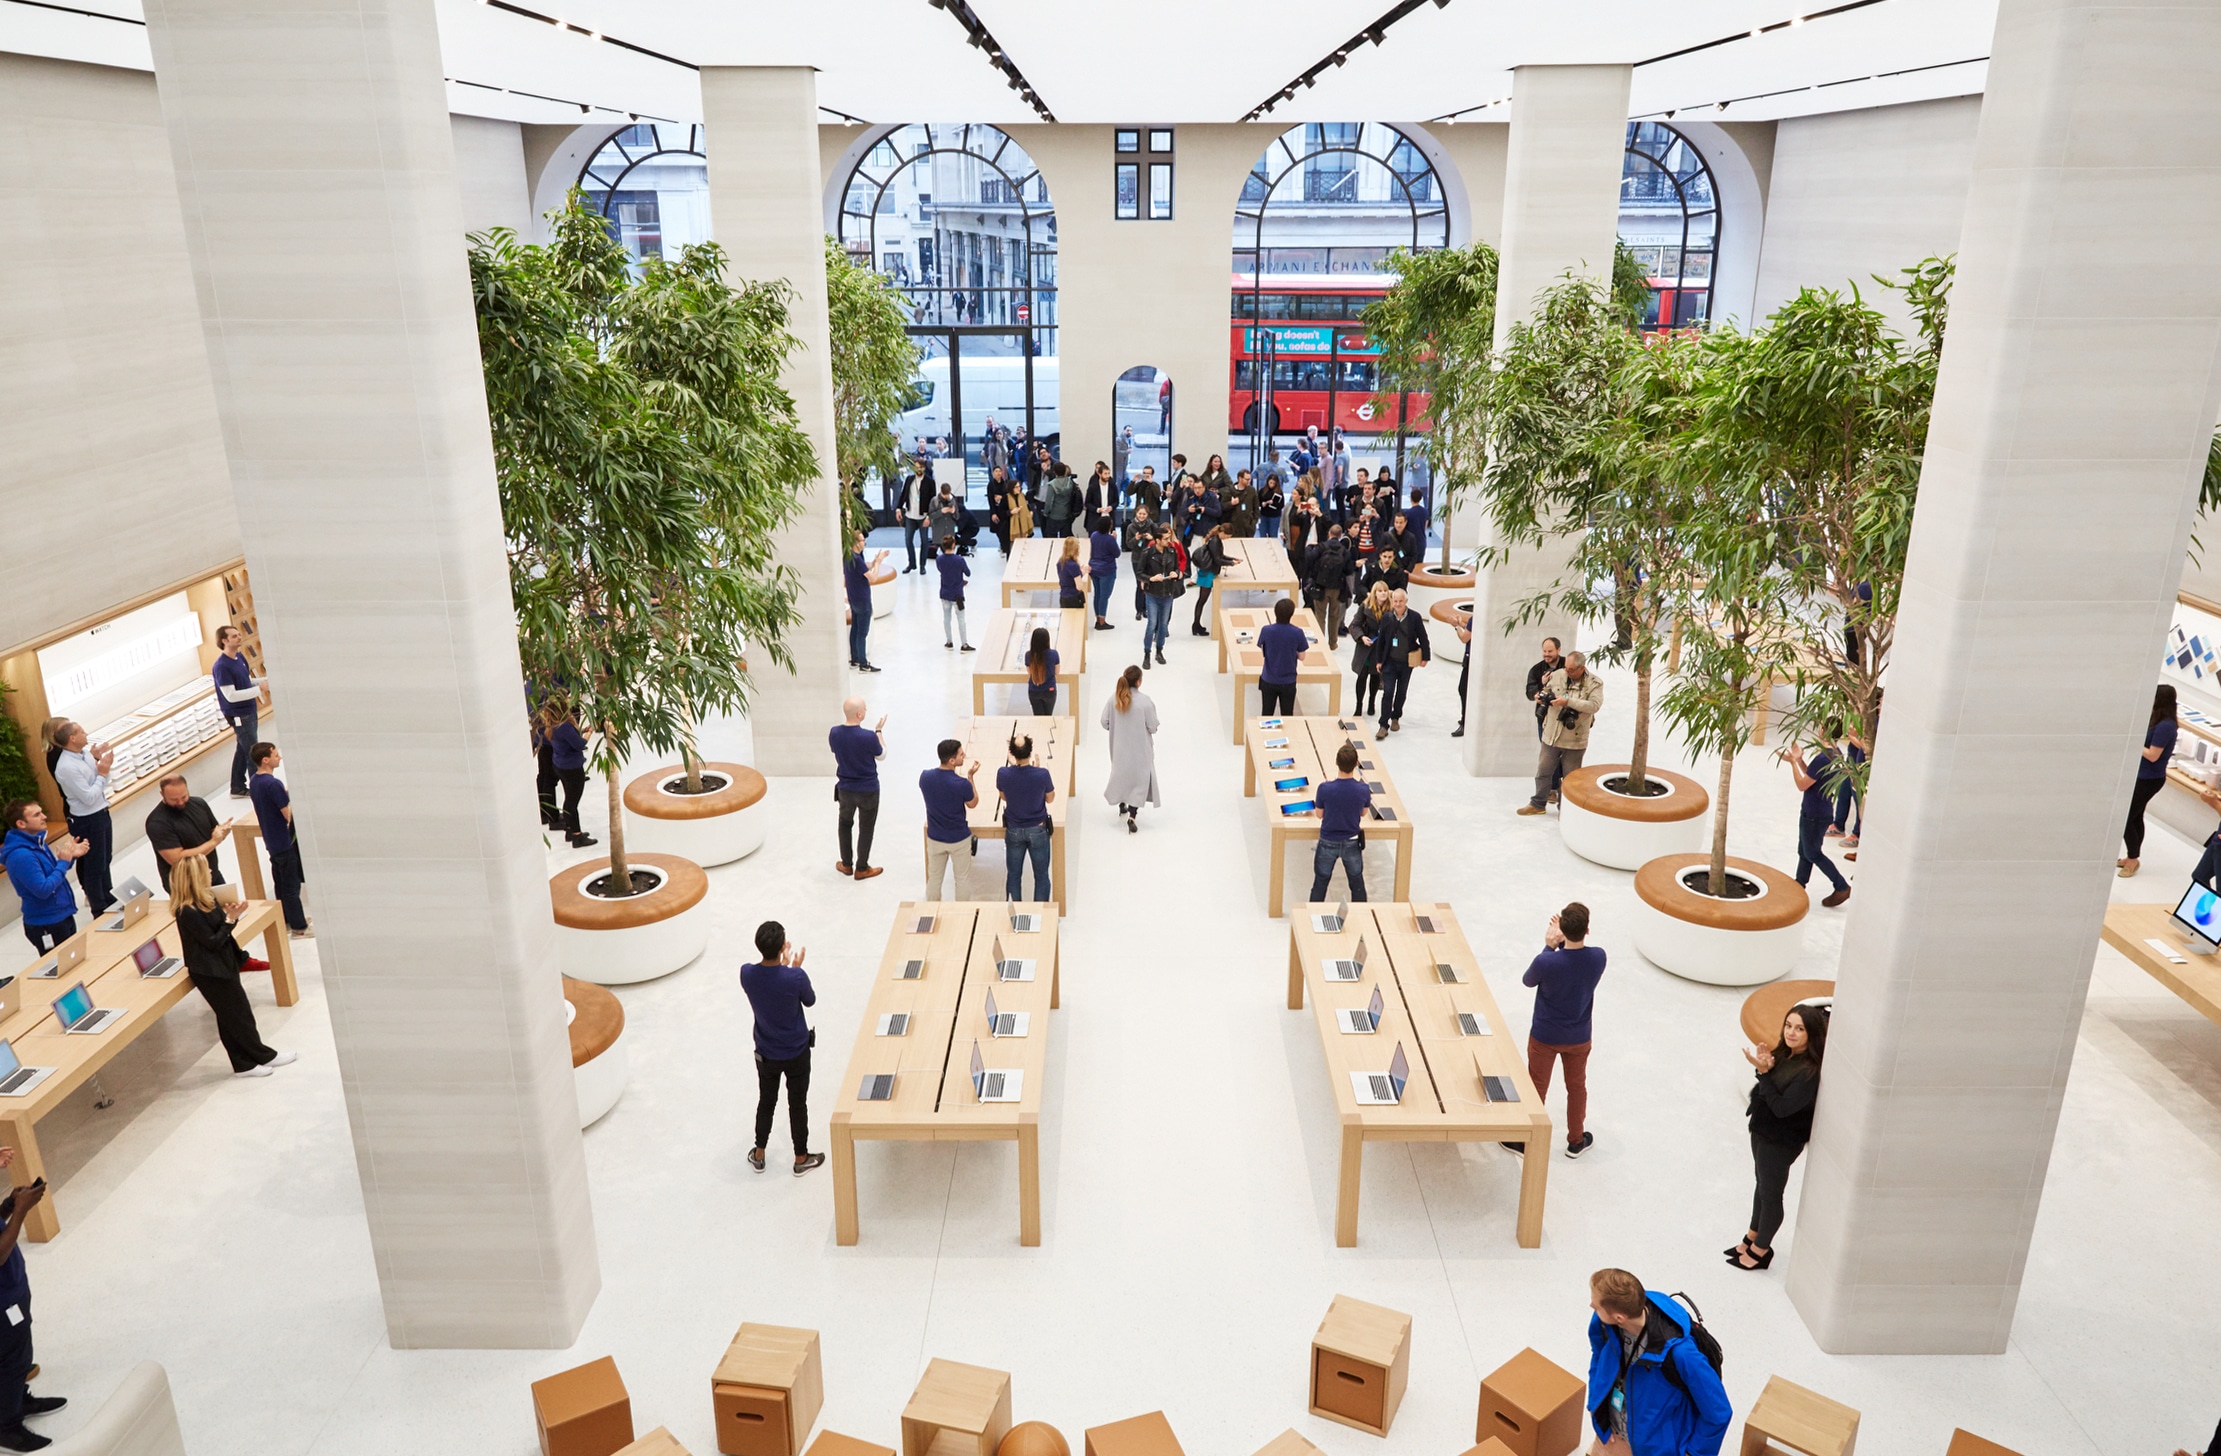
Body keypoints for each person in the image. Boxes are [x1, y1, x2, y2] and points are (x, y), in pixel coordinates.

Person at [1584, 1268, 1733, 1456]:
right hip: (1612, 1437)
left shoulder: (1682, 1355)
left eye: (1596, 1305)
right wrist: (1595, 1404)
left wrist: (1694, 1453)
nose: (1591, 1305)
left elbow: (1719, 1412)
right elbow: (1598, 1356)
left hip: (1655, 1449)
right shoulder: (1604, 1322)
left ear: (1619, 1317)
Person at [171, 854, 294, 1078]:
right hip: (210, 971)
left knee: (231, 1017)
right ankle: (262, 1055)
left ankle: (244, 1063)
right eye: (206, 869)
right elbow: (212, 942)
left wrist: (231, 915)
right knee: (238, 1016)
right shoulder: (187, 911)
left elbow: (220, 931)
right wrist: (229, 920)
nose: (210, 872)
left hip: (224, 964)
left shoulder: (207, 899)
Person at [1728, 1001, 1829, 1272]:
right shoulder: (1787, 1054)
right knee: (1761, 1185)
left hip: (1781, 1140)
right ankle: (1751, 1236)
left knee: (1771, 1193)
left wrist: (1765, 1073)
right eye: (1788, 1025)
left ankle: (1761, 1249)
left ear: (1812, 1034)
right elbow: (1769, 1086)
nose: (1791, 1033)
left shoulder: (1809, 1071)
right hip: (1762, 1129)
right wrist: (1765, 1068)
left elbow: (1783, 1107)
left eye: (1799, 1029)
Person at [740, 920, 825, 1176]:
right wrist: (792, 968)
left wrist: (785, 967)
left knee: (766, 1100)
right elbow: (809, 1000)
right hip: (796, 1052)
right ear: (781, 948)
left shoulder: (747, 974)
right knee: (797, 1103)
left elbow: (769, 985)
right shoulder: (795, 977)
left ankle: (759, 1152)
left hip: (766, 1053)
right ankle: (800, 1157)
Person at [1521, 904, 1605, 1159]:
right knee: (1577, 1087)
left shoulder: (1546, 960)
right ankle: (1576, 1140)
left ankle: (1523, 1139)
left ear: (1562, 931)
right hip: (1579, 1037)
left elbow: (1528, 980)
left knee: (1536, 1086)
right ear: (1587, 930)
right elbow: (1573, 966)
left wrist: (1550, 944)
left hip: (1545, 1036)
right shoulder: (1598, 957)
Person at [0, 1153, 62, 1450]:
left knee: (19, 1352)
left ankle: (17, 1400)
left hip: (12, 1288)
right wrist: (22, 1212)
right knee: (12, 1359)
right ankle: (7, 1426)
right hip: (2, 1302)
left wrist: (8, 1207)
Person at [1520, 652, 1602, 815]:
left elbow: (1594, 705)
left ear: (1582, 668)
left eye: (1571, 669)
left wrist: (1568, 702)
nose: (1567, 672)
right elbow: (1546, 690)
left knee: (1571, 778)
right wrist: (1540, 696)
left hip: (1575, 740)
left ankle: (1565, 811)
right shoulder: (1557, 675)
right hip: (1551, 734)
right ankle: (1538, 803)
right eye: (1566, 668)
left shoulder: (1595, 683)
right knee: (1543, 771)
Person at [46, 721, 114, 916]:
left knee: (105, 859)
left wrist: (102, 770)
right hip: (87, 819)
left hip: (101, 812)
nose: (86, 733)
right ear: (72, 739)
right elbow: (89, 797)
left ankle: (108, 896)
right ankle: (99, 907)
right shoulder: (66, 767)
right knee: (94, 864)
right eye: (81, 731)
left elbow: (100, 783)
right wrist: (102, 773)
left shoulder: (85, 755)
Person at [144, 775, 242, 908]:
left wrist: (222, 831)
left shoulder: (199, 804)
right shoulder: (157, 822)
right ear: (162, 794)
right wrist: (213, 842)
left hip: (212, 875)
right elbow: (177, 858)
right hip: (186, 887)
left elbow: (214, 830)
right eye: (174, 799)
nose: (180, 802)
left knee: (230, 914)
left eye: (184, 797)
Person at [2, 802, 85, 955]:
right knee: (63, 972)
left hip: (62, 915)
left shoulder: (37, 842)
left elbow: (54, 874)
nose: (44, 817)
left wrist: (70, 857)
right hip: (47, 924)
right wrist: (63, 862)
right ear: (21, 823)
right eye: (37, 815)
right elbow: (43, 889)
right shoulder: (21, 856)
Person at [248, 743, 311, 937]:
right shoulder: (273, 784)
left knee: (280, 883)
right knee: (291, 886)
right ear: (265, 760)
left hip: (271, 842)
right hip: (284, 842)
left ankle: (286, 919)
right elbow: (288, 814)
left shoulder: (254, 781)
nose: (279, 758)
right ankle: (299, 926)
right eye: (276, 755)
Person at [1787, 737, 1853, 908]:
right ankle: (1799, 884)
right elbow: (1812, 775)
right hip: (1820, 811)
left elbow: (1802, 784)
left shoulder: (1823, 758)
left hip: (1814, 813)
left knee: (1812, 853)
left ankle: (1841, 885)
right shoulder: (1835, 755)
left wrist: (1793, 763)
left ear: (1824, 730)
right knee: (1804, 850)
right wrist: (1800, 760)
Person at [2121, 683, 2178, 878]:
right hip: (2141, 775)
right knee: (2135, 816)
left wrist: (2133, 741)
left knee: (2125, 817)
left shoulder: (2166, 726)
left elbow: (2153, 755)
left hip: (2149, 778)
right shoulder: (2156, 720)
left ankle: (2133, 859)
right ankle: (2131, 856)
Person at [829, 698, 887, 881]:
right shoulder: (868, 736)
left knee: (844, 824)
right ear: (860, 714)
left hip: (845, 788)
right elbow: (882, 754)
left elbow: (836, 751)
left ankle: (846, 863)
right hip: (868, 788)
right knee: (866, 827)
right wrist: (879, 731)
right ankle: (862, 868)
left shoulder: (834, 733)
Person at [1308, 743, 1372, 901]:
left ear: (1336, 762)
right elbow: (1363, 813)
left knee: (1320, 882)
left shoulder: (1325, 789)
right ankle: (1362, 918)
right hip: (1351, 842)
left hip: (1328, 841)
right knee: (1357, 883)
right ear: (1356, 764)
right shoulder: (1363, 789)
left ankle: (1313, 916)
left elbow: (1319, 814)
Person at [1100, 666, 1160, 833]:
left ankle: (1121, 804)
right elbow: (1153, 726)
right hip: (1140, 750)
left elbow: (1104, 722)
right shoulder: (1145, 702)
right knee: (1139, 782)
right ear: (1139, 682)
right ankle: (1132, 816)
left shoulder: (1114, 699)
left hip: (1119, 749)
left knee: (1121, 776)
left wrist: (1117, 727)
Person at [997, 734, 1056, 902]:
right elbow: (1050, 798)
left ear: (1012, 753)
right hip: (1037, 830)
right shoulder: (1042, 774)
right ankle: (1040, 913)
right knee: (1042, 876)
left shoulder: (1003, 773)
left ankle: (1015, 912)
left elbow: (1004, 796)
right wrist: (1036, 770)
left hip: (1014, 830)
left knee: (1014, 875)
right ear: (1030, 751)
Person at [211, 624, 267, 799]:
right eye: (234, 636)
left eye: (238, 634)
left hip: (249, 710)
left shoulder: (240, 657)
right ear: (224, 640)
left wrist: (263, 681)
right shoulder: (221, 666)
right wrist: (260, 690)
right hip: (239, 714)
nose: (239, 637)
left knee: (243, 749)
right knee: (252, 751)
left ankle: (237, 786)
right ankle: (258, 791)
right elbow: (231, 695)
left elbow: (245, 682)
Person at [920, 739, 980, 902]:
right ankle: (961, 914)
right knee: (962, 879)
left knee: (934, 879)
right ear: (952, 761)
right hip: (958, 839)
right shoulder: (961, 784)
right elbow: (973, 802)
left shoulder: (925, 778)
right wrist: (970, 777)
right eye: (961, 754)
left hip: (935, 837)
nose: (964, 755)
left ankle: (931, 911)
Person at [1372, 588, 1431, 734]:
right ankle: (1383, 724)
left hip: (1406, 662)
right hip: (1390, 661)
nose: (1397, 604)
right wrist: (1379, 660)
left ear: (1406, 601)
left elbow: (1423, 638)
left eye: (1400, 601)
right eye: (1395, 601)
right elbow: (1381, 641)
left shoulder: (1414, 618)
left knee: (1401, 692)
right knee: (1388, 692)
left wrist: (1425, 657)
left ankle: (1396, 717)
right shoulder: (1387, 618)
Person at [547, 706, 596, 848]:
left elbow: (568, 740)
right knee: (572, 803)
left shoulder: (552, 725)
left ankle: (570, 830)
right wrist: (589, 734)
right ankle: (577, 836)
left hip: (560, 765)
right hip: (572, 768)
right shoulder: (565, 727)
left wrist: (580, 732)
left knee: (569, 798)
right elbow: (580, 744)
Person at [1139, 525, 1182, 667]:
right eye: (1165, 539)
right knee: (1152, 624)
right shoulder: (1147, 553)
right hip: (1152, 593)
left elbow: (1176, 567)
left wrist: (1175, 574)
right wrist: (1151, 578)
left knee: (1163, 624)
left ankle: (1159, 650)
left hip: (1167, 592)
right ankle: (1147, 653)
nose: (1168, 541)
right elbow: (1139, 573)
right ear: (1157, 540)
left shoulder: (1172, 551)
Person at [1256, 597, 1308, 717]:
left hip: (1268, 679)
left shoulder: (1266, 630)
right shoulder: (1297, 632)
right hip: (1288, 681)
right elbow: (1302, 657)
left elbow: (1262, 649)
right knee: (1287, 715)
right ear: (1292, 614)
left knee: (1266, 713)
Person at [1348, 582, 1391, 720]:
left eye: (1385, 590)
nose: (1383, 593)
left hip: (1381, 649)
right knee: (1362, 676)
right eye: (1380, 591)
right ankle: (1359, 705)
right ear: (1375, 593)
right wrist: (1361, 637)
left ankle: (1371, 702)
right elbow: (1354, 625)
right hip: (1366, 647)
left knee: (1375, 677)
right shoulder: (1365, 606)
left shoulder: (1392, 609)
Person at [1306, 525, 1352, 652]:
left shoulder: (1322, 547)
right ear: (1340, 535)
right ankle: (1333, 643)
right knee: (1334, 615)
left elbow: (1309, 558)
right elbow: (1349, 570)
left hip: (1321, 587)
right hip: (1337, 588)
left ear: (1329, 533)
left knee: (1320, 615)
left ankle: (1320, 642)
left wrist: (1310, 547)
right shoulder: (1344, 550)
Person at [845, 529, 882, 673]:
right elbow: (873, 578)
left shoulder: (849, 557)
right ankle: (863, 663)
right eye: (861, 540)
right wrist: (878, 564)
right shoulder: (857, 559)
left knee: (855, 629)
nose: (864, 542)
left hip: (854, 599)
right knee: (862, 633)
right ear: (856, 543)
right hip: (862, 600)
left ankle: (854, 659)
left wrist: (873, 563)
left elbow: (862, 569)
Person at [935, 535, 975, 652]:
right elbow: (968, 573)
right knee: (961, 619)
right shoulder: (959, 560)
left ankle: (949, 641)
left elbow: (940, 570)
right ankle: (964, 644)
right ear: (953, 545)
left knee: (946, 618)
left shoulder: (939, 559)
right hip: (957, 595)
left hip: (944, 593)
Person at [1188, 526, 1229, 637]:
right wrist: (1231, 563)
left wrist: (1231, 560)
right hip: (1208, 573)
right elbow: (1218, 559)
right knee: (1202, 600)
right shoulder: (1215, 542)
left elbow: (1220, 557)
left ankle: (1196, 625)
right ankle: (1196, 625)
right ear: (1222, 532)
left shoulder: (1215, 540)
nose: (1227, 538)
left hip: (1208, 572)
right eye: (1227, 535)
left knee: (1201, 600)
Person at [1526, 636, 1565, 739]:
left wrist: (1564, 698)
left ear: (1558, 650)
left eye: (1550, 651)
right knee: (1546, 753)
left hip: (1564, 716)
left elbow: (1578, 688)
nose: (1546, 654)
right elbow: (1529, 694)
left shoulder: (1568, 665)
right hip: (1544, 717)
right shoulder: (1536, 669)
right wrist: (1540, 685)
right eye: (1544, 651)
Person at [1087, 513, 1121, 630]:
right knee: (1104, 596)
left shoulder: (1094, 535)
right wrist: (1115, 539)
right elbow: (1117, 553)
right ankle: (1102, 621)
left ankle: (1097, 618)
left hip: (1094, 568)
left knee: (1098, 594)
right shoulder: (1110, 539)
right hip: (1106, 570)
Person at [1123, 505, 1157, 622]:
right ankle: (1139, 610)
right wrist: (1136, 539)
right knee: (1139, 584)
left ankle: (1147, 608)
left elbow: (1159, 539)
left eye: (1144, 514)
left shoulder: (1152, 525)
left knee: (1148, 583)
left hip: (1150, 558)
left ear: (1147, 515)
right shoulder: (1131, 527)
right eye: (1140, 514)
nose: (1141, 516)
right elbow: (1128, 544)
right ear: (1136, 513)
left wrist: (1151, 537)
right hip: (1137, 559)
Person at [896, 462, 929, 571]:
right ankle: (912, 563)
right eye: (916, 467)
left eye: (920, 467)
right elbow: (903, 494)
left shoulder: (929, 482)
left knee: (924, 541)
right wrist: (898, 508)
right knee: (908, 540)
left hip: (923, 516)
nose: (918, 469)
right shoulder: (909, 479)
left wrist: (929, 516)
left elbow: (932, 500)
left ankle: (922, 565)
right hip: (910, 515)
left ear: (924, 468)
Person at [1024, 627, 1062, 717]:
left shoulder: (1028, 655)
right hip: (1050, 690)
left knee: (1038, 717)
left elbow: (1030, 673)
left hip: (1034, 691)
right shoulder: (1054, 654)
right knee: (1048, 716)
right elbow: (1057, 672)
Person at [1450, 605, 1474, 738]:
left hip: (1470, 659)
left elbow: (1465, 638)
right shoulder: (1478, 620)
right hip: (1474, 659)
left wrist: (1456, 626)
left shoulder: (1474, 619)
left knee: (1463, 689)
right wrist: (1461, 623)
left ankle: (1465, 722)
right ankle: (1466, 718)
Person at [1042, 463, 1080, 539]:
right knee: (1065, 539)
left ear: (1054, 472)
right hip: (1066, 515)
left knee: (1052, 539)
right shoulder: (1070, 483)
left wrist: (1045, 513)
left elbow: (1049, 502)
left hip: (1053, 516)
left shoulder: (1052, 484)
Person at [1056, 535, 1089, 612]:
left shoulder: (1060, 562)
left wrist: (1080, 572)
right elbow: (1079, 586)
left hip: (1063, 596)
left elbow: (1067, 577)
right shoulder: (1073, 565)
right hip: (1074, 598)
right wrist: (1081, 573)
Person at [1225, 467, 1259, 539]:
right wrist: (1231, 504)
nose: (1249, 481)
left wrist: (1253, 522)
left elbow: (1256, 508)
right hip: (1233, 527)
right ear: (1240, 479)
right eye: (1247, 479)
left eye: (1249, 479)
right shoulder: (1230, 491)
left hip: (1248, 527)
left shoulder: (1251, 491)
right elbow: (1223, 506)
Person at [1256, 468, 1284, 540]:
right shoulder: (1263, 490)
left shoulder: (1279, 492)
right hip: (1264, 514)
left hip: (1274, 516)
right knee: (1263, 534)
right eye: (1270, 482)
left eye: (1273, 483)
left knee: (1273, 535)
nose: (1271, 485)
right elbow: (1257, 501)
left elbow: (1281, 505)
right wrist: (1262, 503)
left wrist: (1273, 503)